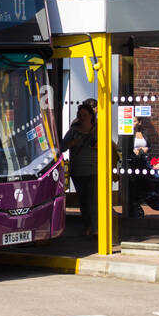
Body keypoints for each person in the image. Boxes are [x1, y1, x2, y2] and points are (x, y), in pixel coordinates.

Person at [61, 100, 98, 236]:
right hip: (78, 171)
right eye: (80, 114)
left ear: (91, 115)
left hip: (94, 169)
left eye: (84, 114)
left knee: (92, 200)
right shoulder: (74, 130)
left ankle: (95, 227)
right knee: (83, 200)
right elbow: (62, 146)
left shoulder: (98, 130)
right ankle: (88, 225)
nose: (82, 117)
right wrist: (73, 143)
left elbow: (109, 146)